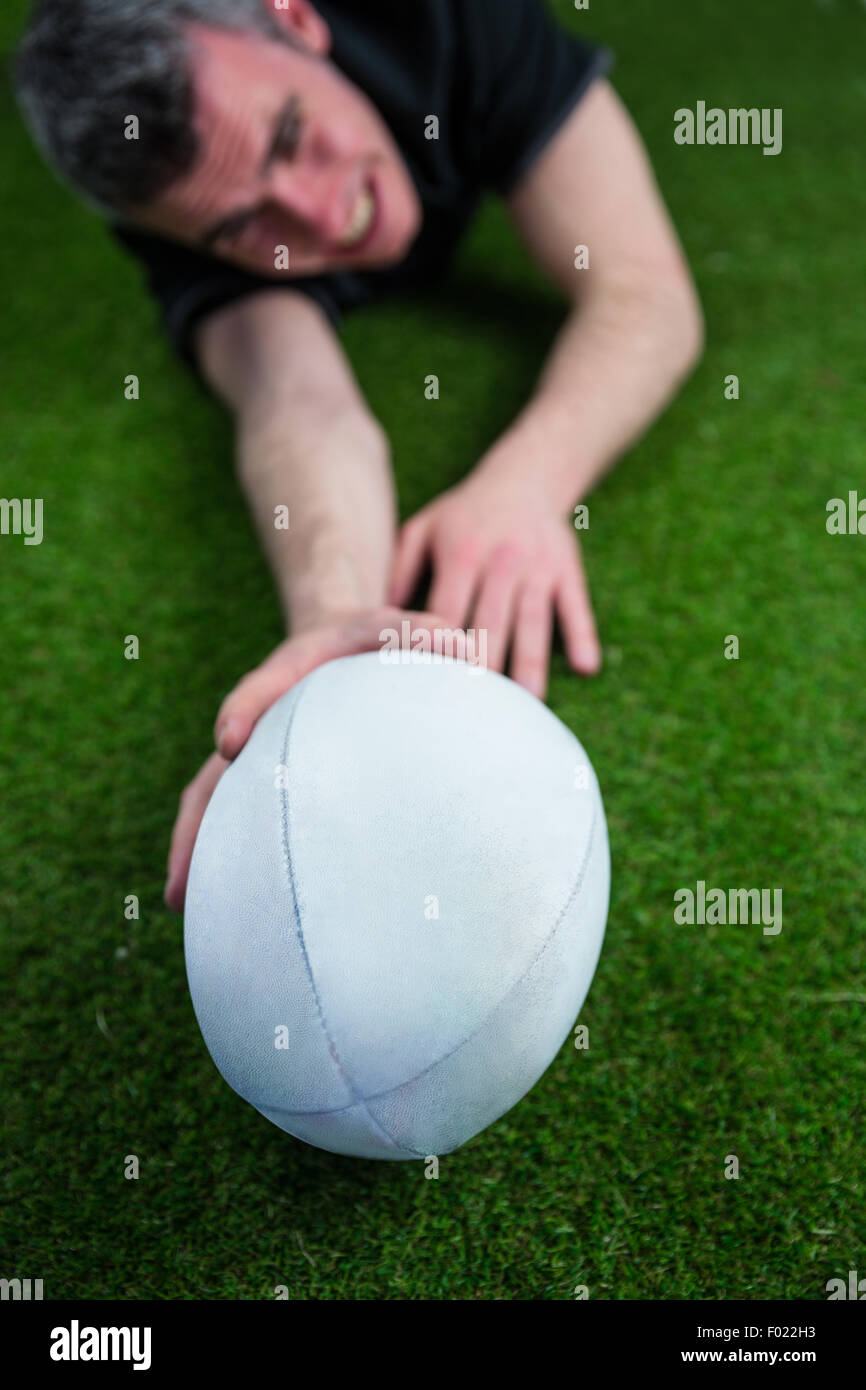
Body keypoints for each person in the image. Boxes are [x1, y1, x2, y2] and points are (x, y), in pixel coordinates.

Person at [15, 0, 703, 908]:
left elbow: (644, 292)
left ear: (294, 18)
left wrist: (528, 483)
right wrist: (333, 618)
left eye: (291, 135)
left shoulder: (464, 24)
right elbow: (298, 404)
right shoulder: (170, 198)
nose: (315, 216)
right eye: (242, 228)